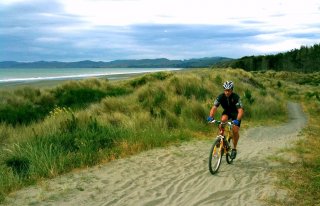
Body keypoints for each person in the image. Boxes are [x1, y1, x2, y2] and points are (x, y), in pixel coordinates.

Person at [207, 81, 244, 159]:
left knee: (235, 130)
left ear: (232, 90)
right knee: (222, 121)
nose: (227, 92)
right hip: (227, 112)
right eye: (225, 90)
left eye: (229, 90)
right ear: (224, 90)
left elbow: (240, 111)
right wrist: (210, 116)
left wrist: (237, 120)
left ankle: (234, 149)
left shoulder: (236, 97)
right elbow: (214, 108)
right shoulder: (220, 97)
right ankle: (221, 139)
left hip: (236, 113)